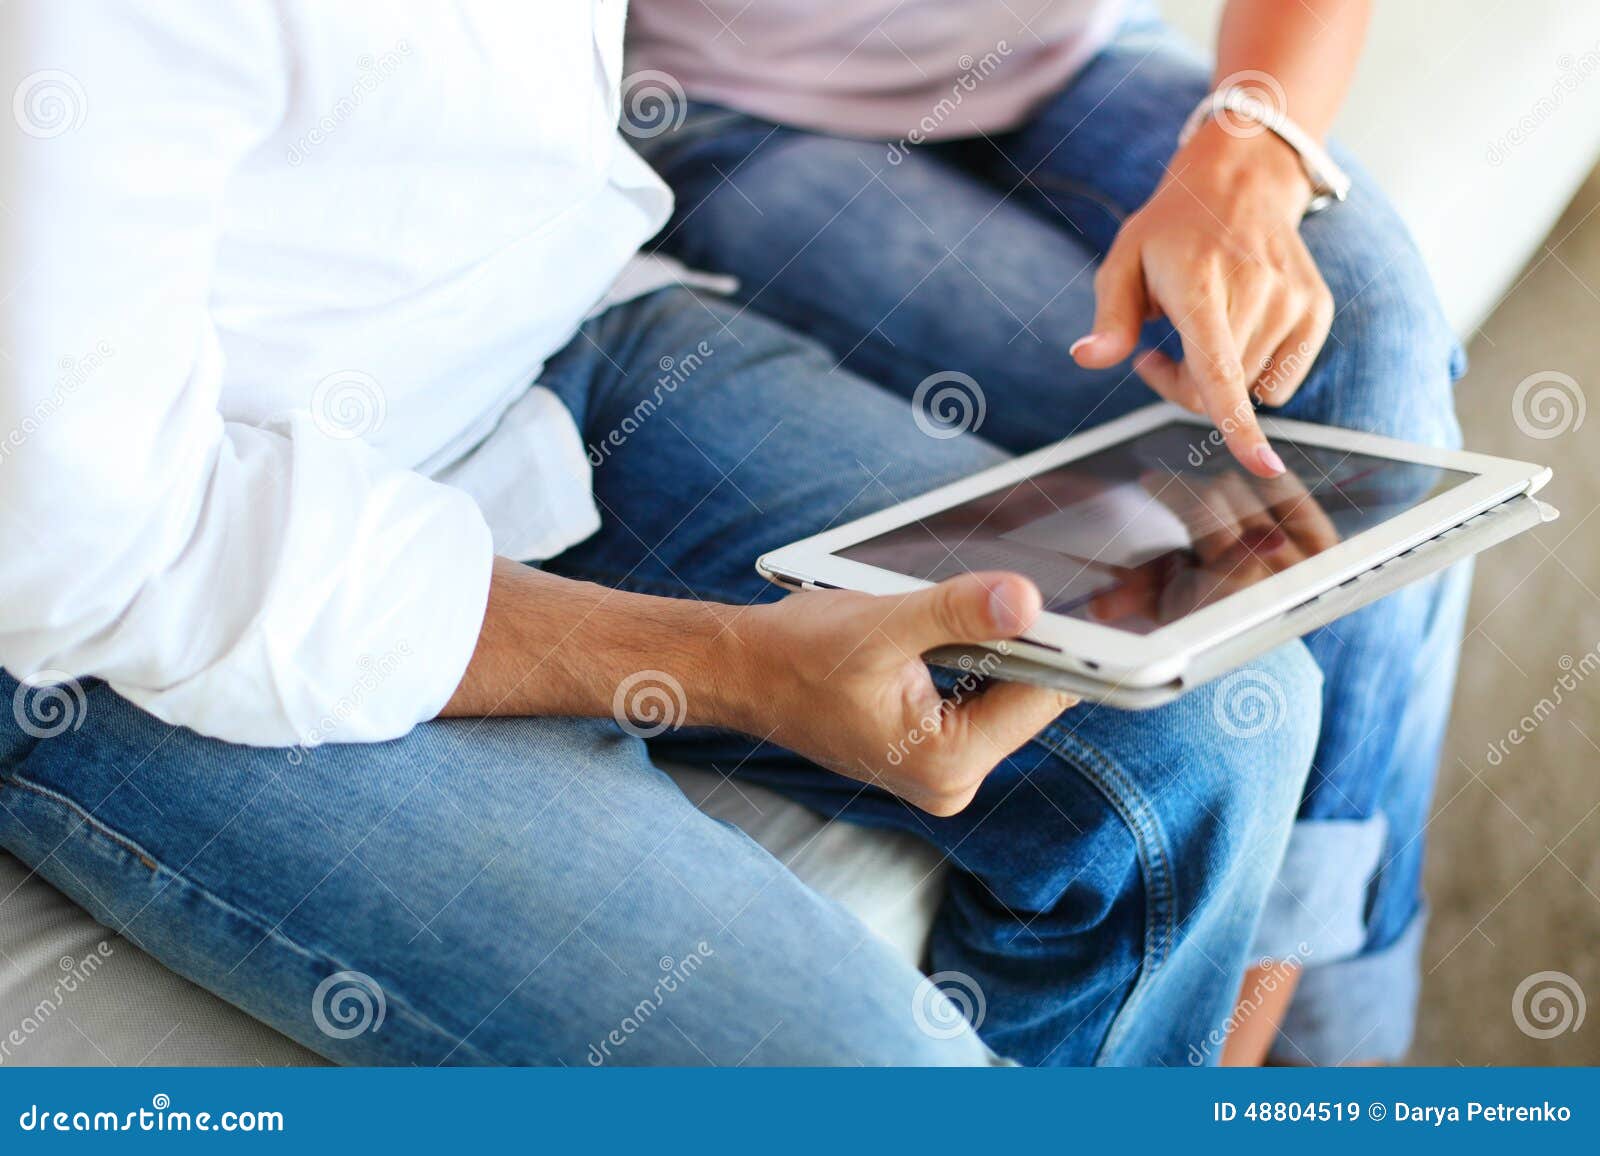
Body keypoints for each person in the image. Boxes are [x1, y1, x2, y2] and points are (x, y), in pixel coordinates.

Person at [0, 0, 1319, 1066]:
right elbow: (99, 547)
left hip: (558, 326)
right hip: (152, 585)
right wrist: (740, 667)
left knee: (1215, 695)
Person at [624, 0, 1469, 1063]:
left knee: (1370, 347)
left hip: (1071, 56)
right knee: (1237, 430)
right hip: (742, 111)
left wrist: (1252, 136)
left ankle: (1296, 1060)